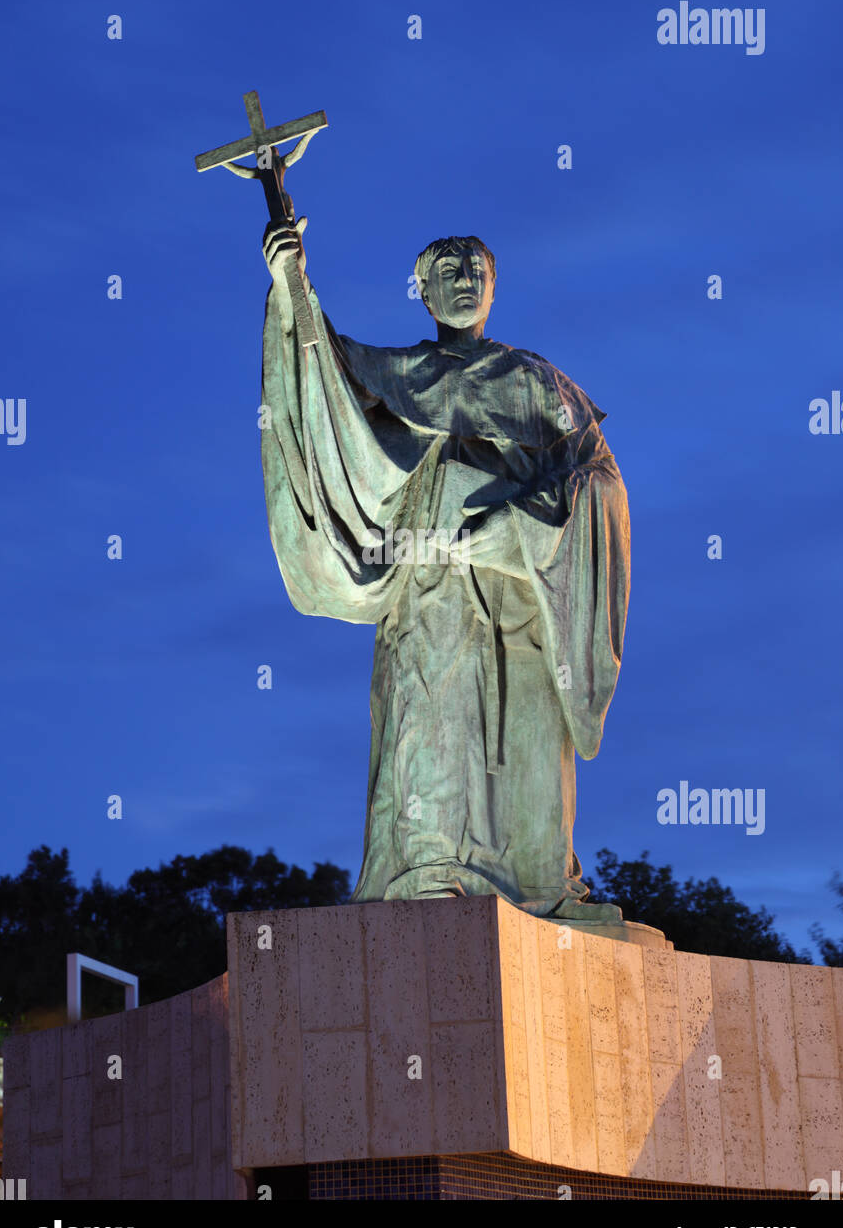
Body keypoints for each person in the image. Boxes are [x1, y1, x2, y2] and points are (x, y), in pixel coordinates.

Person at [259, 221, 629, 921]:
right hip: (429, 577)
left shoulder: (538, 384)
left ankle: (543, 883)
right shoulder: (396, 376)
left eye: (476, 269)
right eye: (448, 270)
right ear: (421, 292)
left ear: (494, 287)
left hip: (524, 582)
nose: (465, 279)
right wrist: (289, 283)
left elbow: (600, 480)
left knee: (531, 724)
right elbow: (319, 380)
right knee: (431, 711)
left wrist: (522, 527)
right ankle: (428, 871)